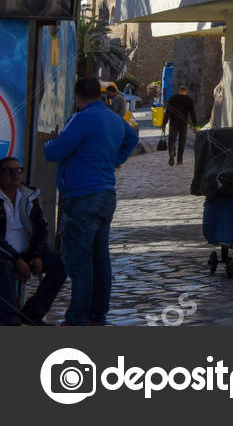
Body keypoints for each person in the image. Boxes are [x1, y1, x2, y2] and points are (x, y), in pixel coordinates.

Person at [44, 77, 141, 325]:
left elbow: (55, 152)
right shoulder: (113, 118)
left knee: (79, 260)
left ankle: (76, 317)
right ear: (99, 94)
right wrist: (115, 159)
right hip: (106, 193)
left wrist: (49, 142)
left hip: (81, 196)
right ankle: (97, 313)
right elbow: (131, 138)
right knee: (100, 258)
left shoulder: (81, 119)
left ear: (77, 97)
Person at [0, 157, 66, 325]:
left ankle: (33, 313)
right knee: (4, 268)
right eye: (9, 171)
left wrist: (35, 254)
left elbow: (41, 229)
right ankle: (10, 321)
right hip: (5, 255)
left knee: (61, 262)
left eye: (18, 170)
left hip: (27, 251)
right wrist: (16, 260)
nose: (15, 175)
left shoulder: (28, 196)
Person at [163, 85, 198, 166]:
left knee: (172, 139)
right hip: (183, 123)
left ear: (179, 91)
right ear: (185, 91)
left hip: (173, 123)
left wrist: (164, 124)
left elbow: (167, 112)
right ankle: (179, 160)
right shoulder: (189, 100)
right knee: (182, 141)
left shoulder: (173, 98)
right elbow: (193, 113)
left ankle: (171, 153)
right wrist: (195, 125)